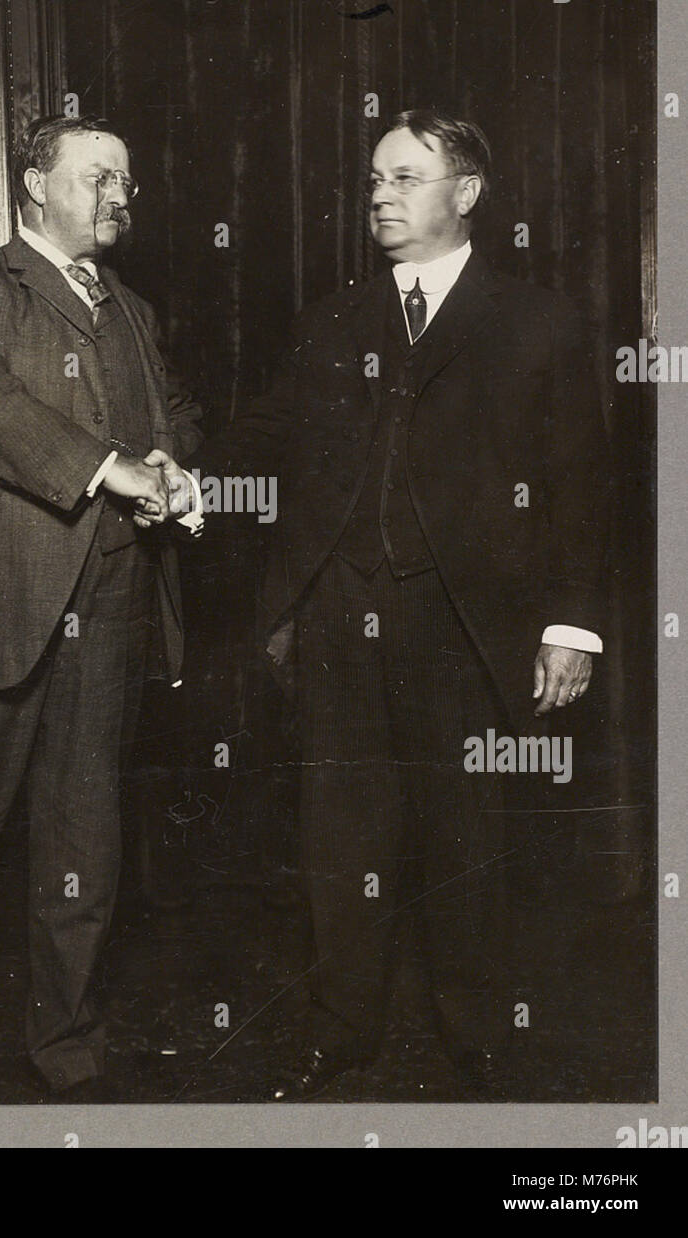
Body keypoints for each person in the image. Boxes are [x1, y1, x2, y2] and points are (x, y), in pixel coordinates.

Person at [146, 109, 608, 1100]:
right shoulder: (336, 320)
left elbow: (579, 485)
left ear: (467, 192)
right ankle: (341, 1034)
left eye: (405, 178)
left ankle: (476, 1034)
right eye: (373, 182)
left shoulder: (539, 322)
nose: (381, 197)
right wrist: (185, 482)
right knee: (338, 839)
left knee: (466, 836)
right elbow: (261, 436)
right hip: (336, 621)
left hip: (465, 629)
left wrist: (569, 626)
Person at [0, 114, 202, 1102]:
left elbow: (175, 412)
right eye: (98, 175)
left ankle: (71, 1053)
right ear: (32, 185)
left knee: (83, 845)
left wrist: (180, 468)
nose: (120, 196)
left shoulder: (134, 311)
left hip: (108, 605)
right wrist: (110, 466)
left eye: (127, 182)